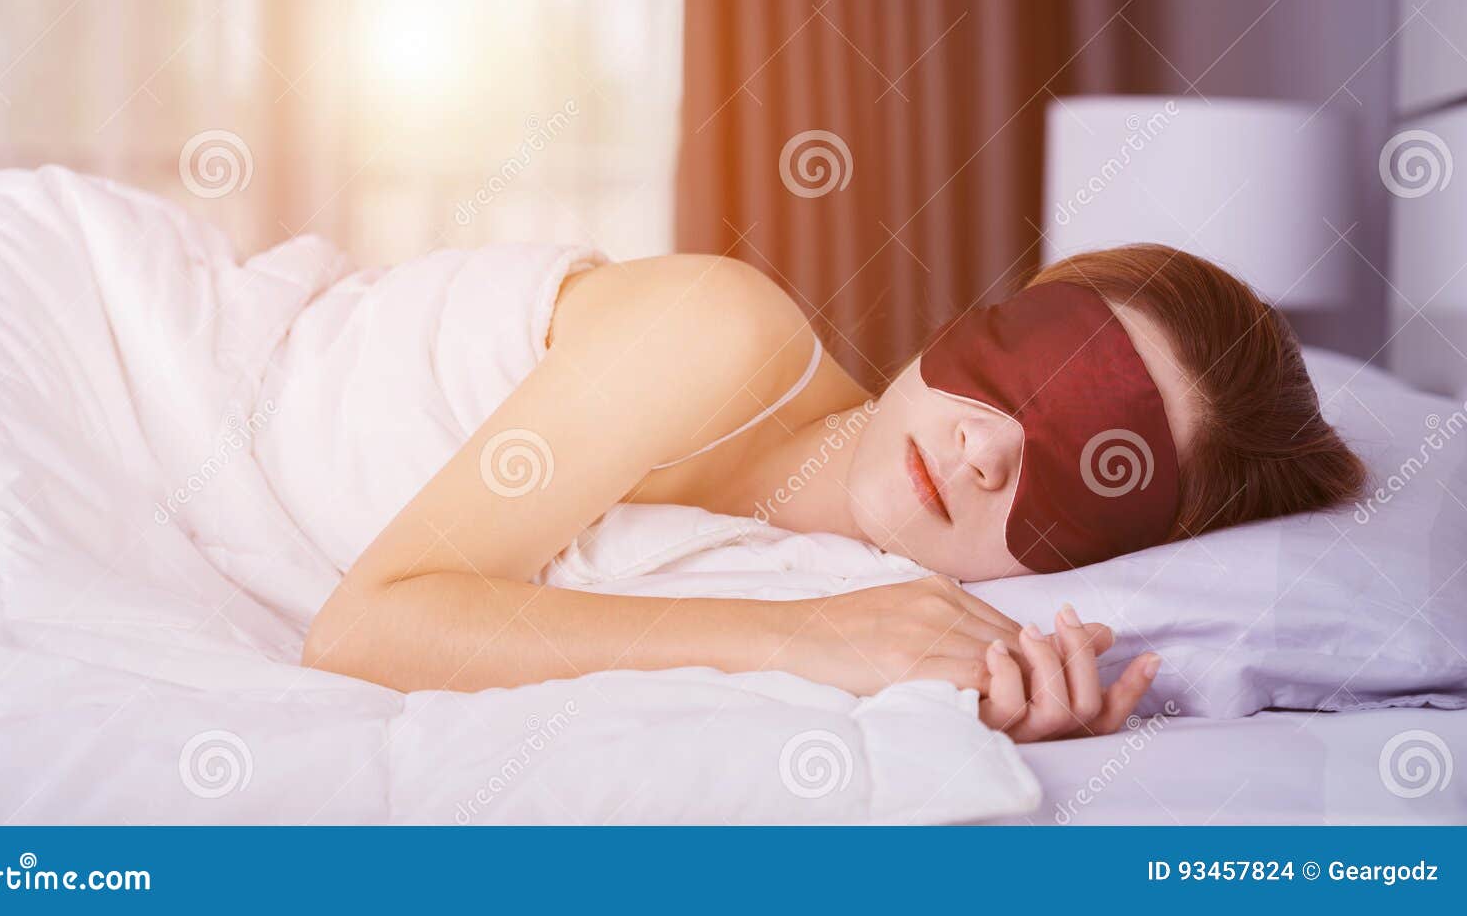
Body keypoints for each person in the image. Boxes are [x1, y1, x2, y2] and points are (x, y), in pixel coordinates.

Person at [302, 243, 1364, 742]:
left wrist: (980, 711)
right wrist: (796, 639)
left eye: (1092, 471)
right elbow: (362, 628)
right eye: (1031, 365)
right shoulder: (718, 328)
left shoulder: (899, 609)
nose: (987, 447)